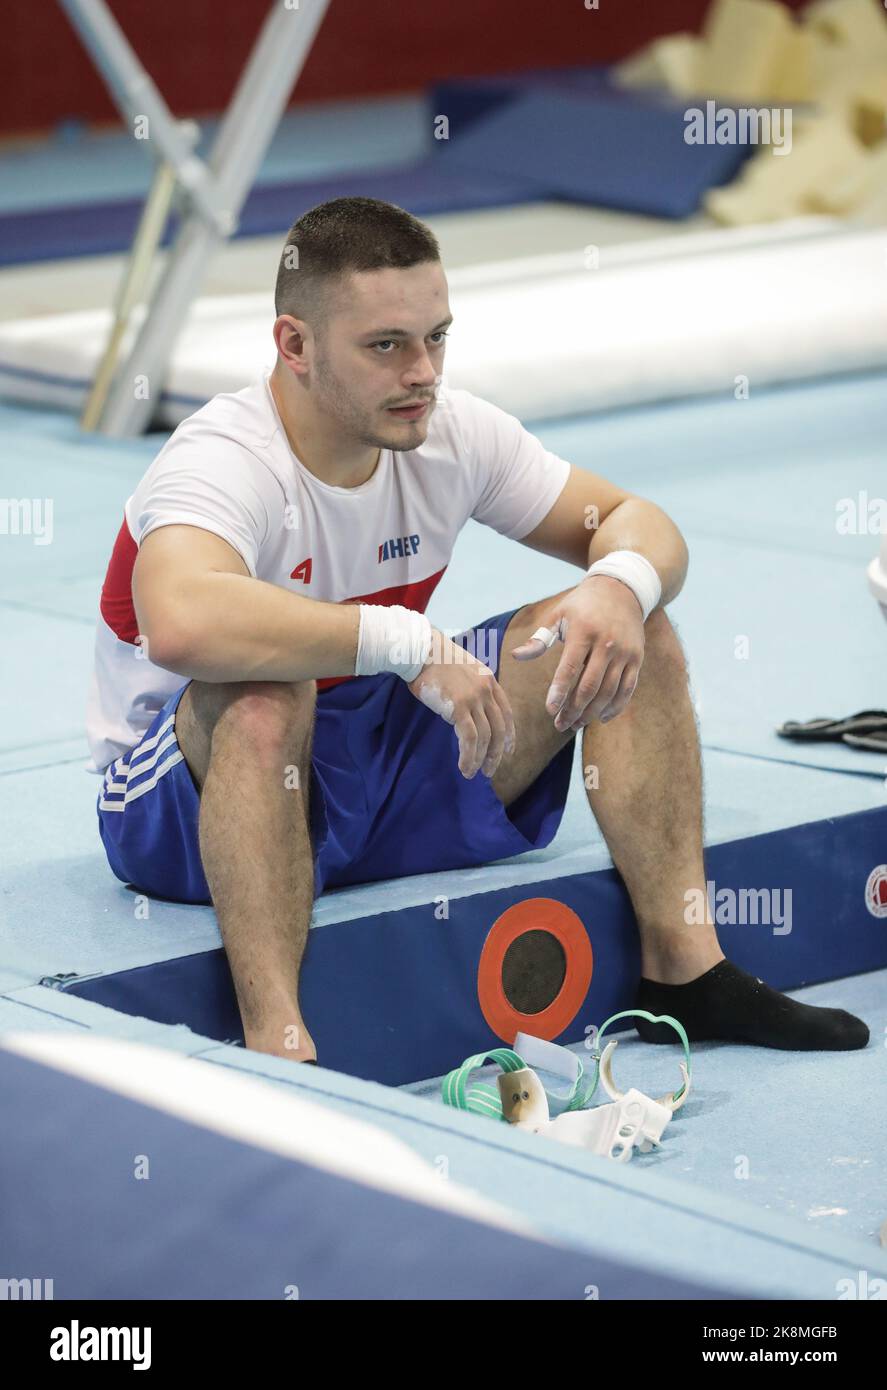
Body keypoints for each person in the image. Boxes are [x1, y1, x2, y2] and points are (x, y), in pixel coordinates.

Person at [89, 196, 868, 1064]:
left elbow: (633, 518)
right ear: (294, 346)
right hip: (187, 803)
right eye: (385, 345)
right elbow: (183, 624)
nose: (422, 371)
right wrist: (408, 642)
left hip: (380, 764)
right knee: (268, 692)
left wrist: (617, 583)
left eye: (437, 337)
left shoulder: (449, 432)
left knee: (624, 623)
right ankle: (280, 1046)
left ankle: (682, 971)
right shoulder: (221, 459)